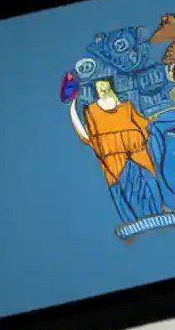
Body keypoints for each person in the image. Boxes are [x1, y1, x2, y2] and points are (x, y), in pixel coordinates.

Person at [68, 77, 165, 222]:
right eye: (100, 88)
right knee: (125, 191)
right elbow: (90, 137)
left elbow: (144, 125)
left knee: (149, 184)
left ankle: (157, 212)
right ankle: (135, 220)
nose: (103, 90)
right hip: (113, 159)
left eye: (106, 87)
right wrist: (72, 108)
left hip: (138, 154)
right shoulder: (91, 111)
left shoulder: (126, 107)